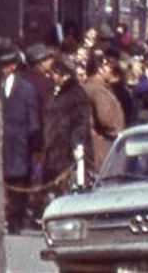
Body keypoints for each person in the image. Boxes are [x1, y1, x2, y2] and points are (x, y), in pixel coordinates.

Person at [0, 45, 40, 233]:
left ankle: (16, 219)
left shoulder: (26, 88)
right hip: (2, 141)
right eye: (2, 65)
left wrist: (34, 141)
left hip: (20, 142)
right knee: (1, 180)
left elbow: (32, 117)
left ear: (14, 65)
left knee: (19, 182)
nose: (4, 68)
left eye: (8, 64)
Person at [43, 55, 92, 197]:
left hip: (69, 151)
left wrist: (77, 145)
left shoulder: (76, 93)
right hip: (53, 149)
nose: (50, 76)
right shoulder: (53, 92)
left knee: (69, 189)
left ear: (61, 73)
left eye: (53, 73)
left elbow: (81, 122)